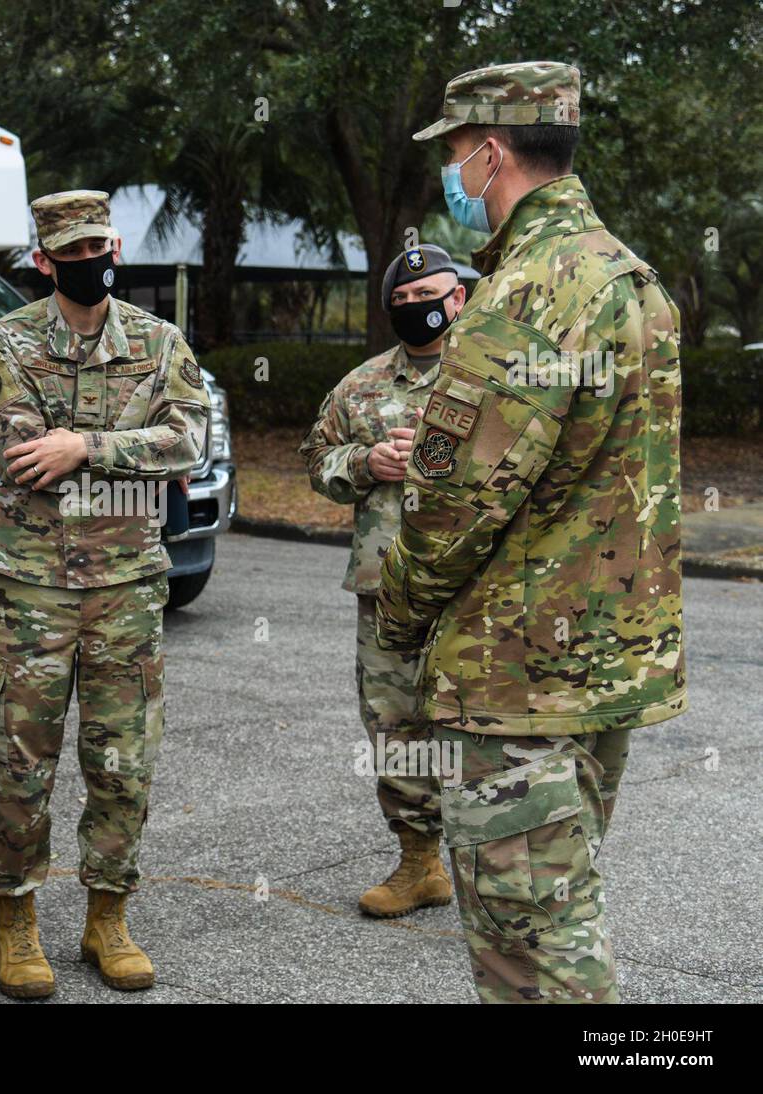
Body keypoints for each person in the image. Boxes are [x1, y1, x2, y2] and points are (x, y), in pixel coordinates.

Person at [376, 62, 685, 1003]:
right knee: (567, 905)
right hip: (606, 666)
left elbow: (453, 502)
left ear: (492, 151)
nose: (453, 178)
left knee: (534, 955)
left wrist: (398, 615)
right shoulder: (634, 281)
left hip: (518, 683)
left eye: (457, 156)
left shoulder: (523, 296)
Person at [0, 190, 209, 997]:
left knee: (123, 762)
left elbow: (190, 439)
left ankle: (108, 917)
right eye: (70, 255)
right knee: (19, 761)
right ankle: (17, 922)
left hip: (129, 587)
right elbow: (22, 454)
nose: (90, 264)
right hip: (33, 588)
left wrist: (86, 444)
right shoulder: (6, 341)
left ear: (116, 245)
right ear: (44, 262)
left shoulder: (159, 340)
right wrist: (112, 450)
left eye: (99, 247)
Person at [299, 243, 466, 918]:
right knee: (396, 727)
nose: (417, 308)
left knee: (489, 726)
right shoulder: (361, 385)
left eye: (429, 295)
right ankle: (420, 862)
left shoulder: (498, 379)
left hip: (477, 588)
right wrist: (366, 461)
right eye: (401, 301)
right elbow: (316, 461)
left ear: (459, 299)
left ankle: (502, 870)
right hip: (388, 589)